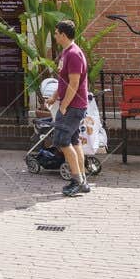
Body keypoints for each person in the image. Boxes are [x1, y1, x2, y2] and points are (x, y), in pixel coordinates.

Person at [52, 20, 91, 198]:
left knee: (61, 141)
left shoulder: (74, 54)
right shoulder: (66, 53)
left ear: (63, 35)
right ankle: (82, 180)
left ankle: (77, 182)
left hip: (72, 107)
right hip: (73, 106)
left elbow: (74, 83)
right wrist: (54, 96)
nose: (54, 36)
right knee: (74, 142)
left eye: (56, 33)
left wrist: (64, 105)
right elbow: (64, 80)